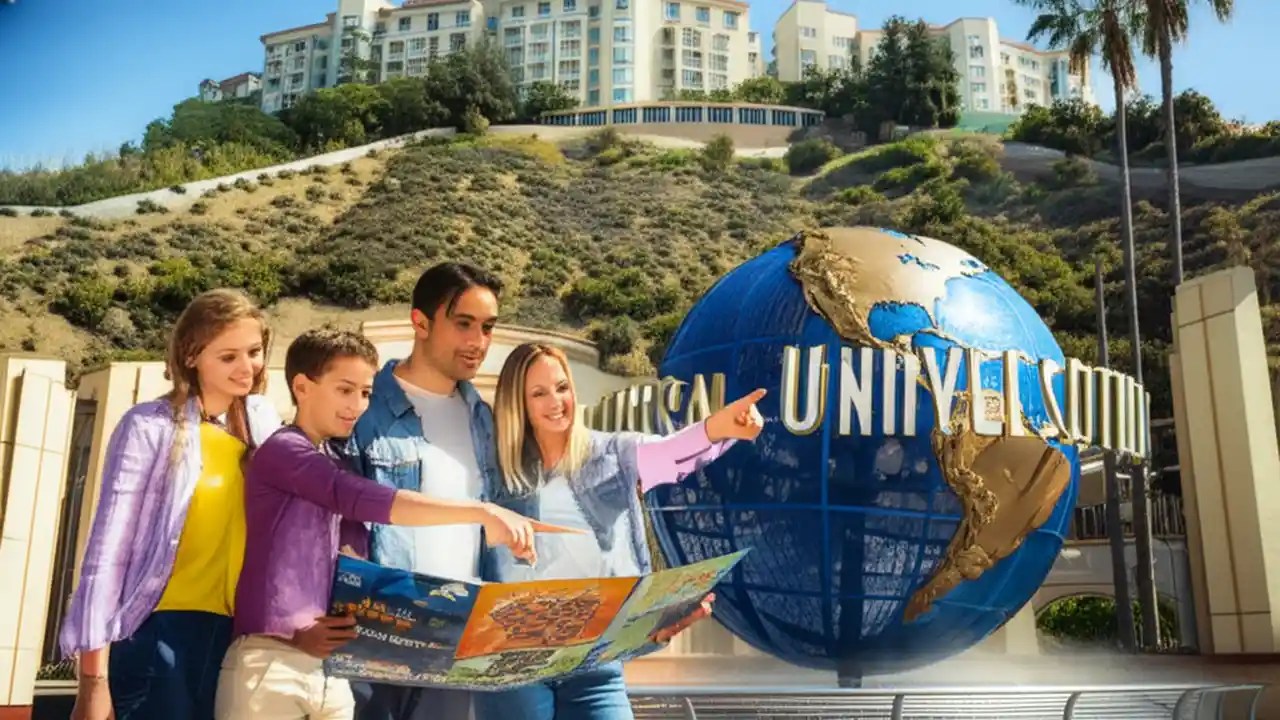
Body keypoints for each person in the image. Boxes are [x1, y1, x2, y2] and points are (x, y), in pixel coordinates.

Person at [214, 329, 574, 719]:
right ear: (302, 386)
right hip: (272, 663)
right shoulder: (285, 451)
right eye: (345, 390)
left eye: (366, 393)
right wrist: (481, 512)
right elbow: (357, 498)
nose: (357, 405)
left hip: (332, 672)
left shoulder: (341, 460)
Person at [473, 343, 766, 720]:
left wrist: (719, 427)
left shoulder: (611, 453)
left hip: (595, 657)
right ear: (519, 402)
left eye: (562, 387)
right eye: (539, 393)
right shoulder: (495, 469)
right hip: (513, 660)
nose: (556, 401)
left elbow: (670, 451)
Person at [59, 288, 284, 720]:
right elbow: (107, 555)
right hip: (159, 634)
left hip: (238, 636)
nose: (247, 367)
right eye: (228, 356)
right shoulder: (148, 427)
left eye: (254, 352)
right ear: (191, 355)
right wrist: (93, 682)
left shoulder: (264, 423)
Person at [343, 262, 508, 720]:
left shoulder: (485, 421)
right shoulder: (362, 406)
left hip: (455, 639)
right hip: (375, 634)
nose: (478, 342)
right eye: (463, 324)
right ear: (420, 322)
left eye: (488, 328)